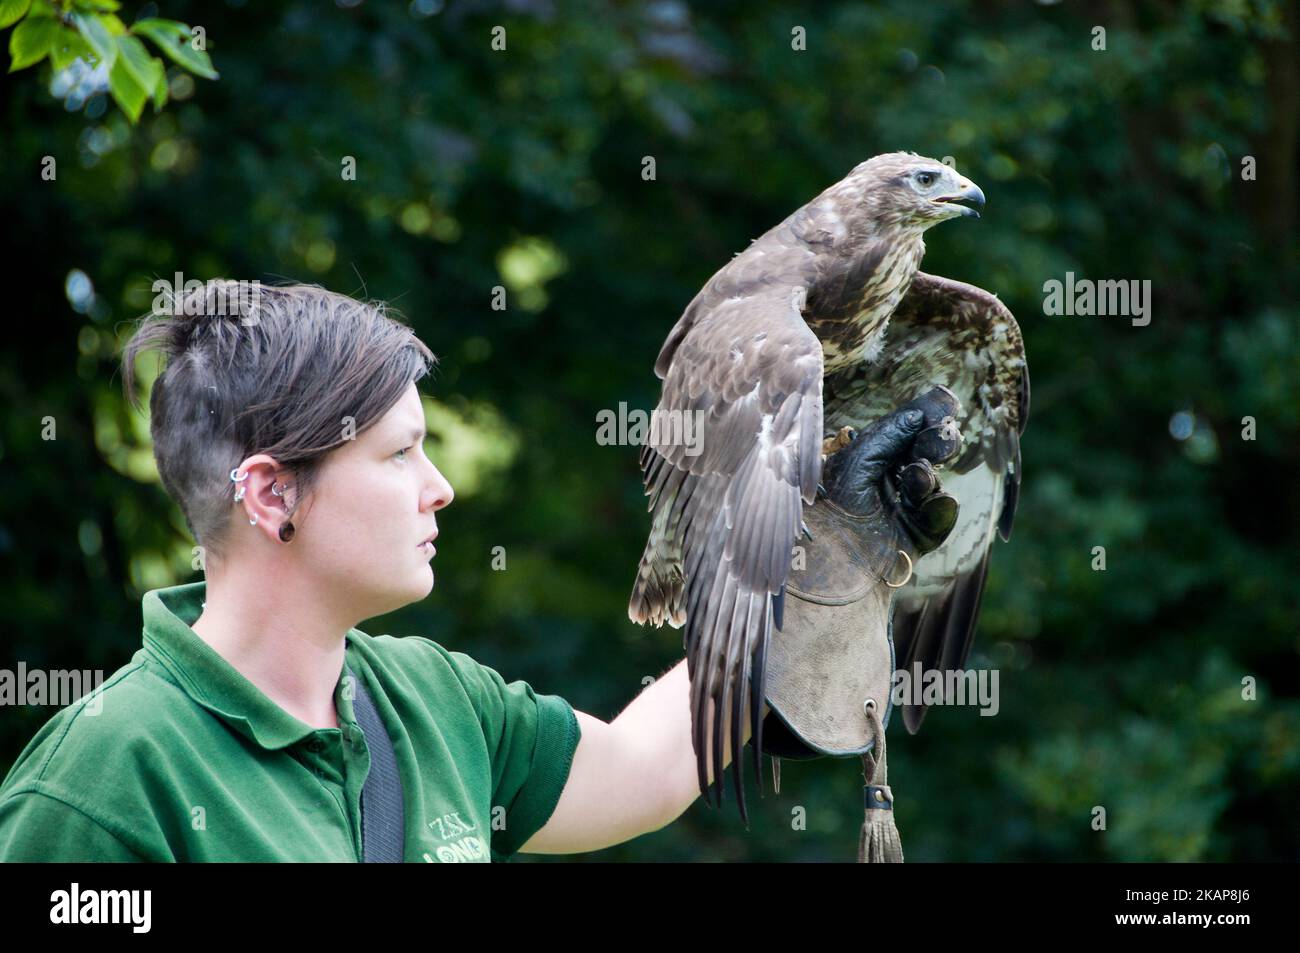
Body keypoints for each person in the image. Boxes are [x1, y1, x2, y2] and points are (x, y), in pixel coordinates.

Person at [0, 280, 939, 862]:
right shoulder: (103, 780)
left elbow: (638, 768)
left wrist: (816, 557)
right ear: (272, 494)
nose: (440, 488)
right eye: (400, 454)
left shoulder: (433, 700)